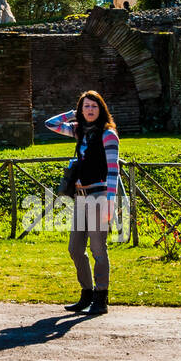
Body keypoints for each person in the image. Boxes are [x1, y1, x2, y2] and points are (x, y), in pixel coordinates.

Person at [45, 90, 121, 316]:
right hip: (79, 196)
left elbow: (113, 170)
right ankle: (86, 293)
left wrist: (110, 202)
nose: (90, 110)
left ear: (102, 109)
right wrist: (72, 113)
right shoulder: (79, 131)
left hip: (99, 196)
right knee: (75, 248)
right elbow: (51, 124)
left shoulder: (108, 135)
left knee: (98, 249)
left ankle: (101, 299)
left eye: (94, 106)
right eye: (86, 106)